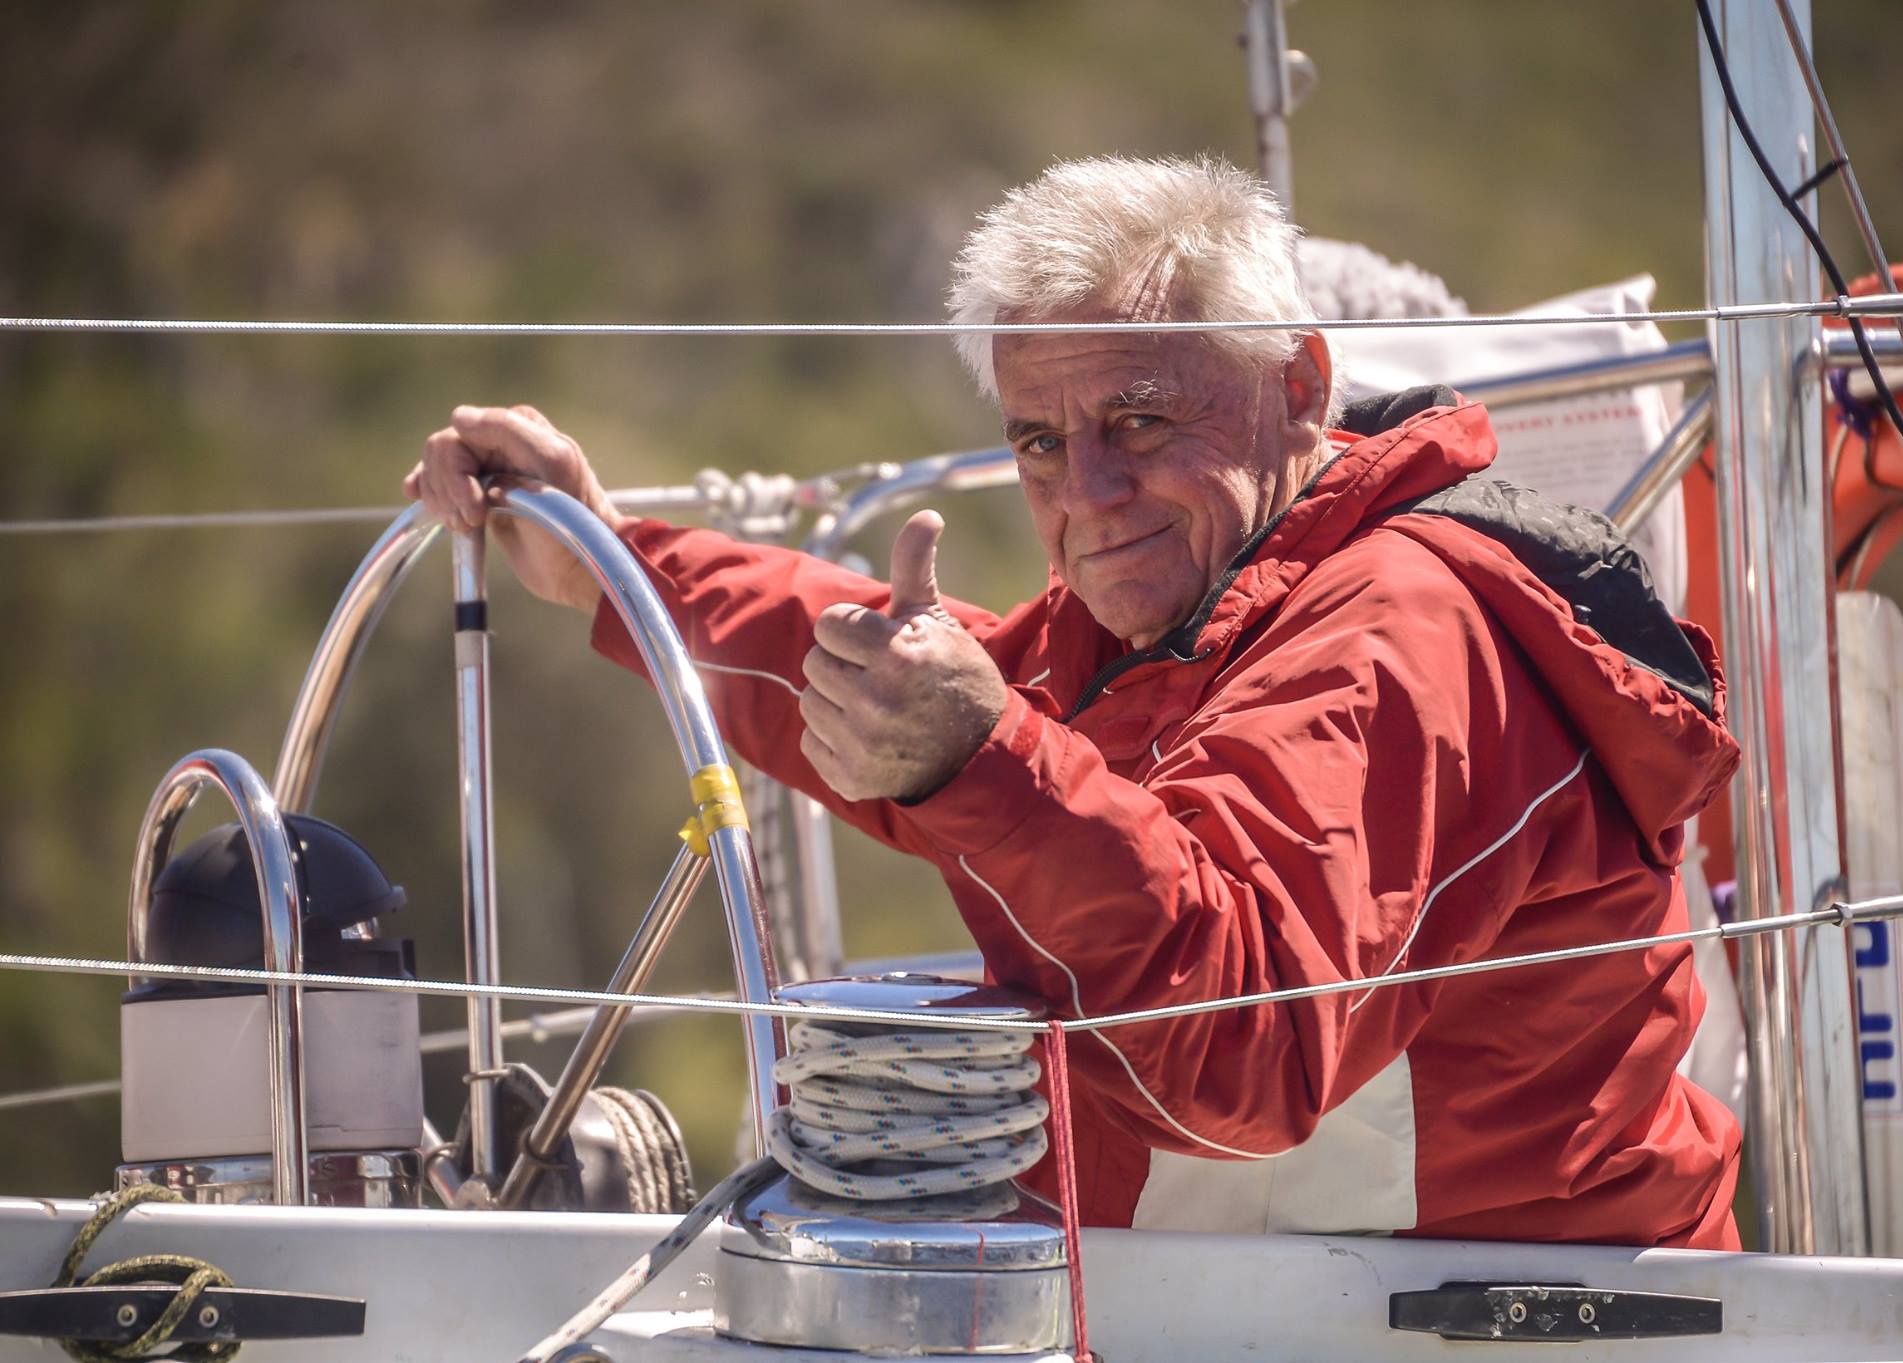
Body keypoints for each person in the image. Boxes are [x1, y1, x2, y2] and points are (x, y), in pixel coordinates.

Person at [406, 155, 1743, 1247]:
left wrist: (976, 764)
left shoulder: (1396, 631)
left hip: (1483, 1329)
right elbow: (931, 684)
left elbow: (1241, 1052)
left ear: (1299, 386)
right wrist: (607, 566)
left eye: (1141, 423)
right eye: (1041, 443)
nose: (1087, 496)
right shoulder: (1191, 609)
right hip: (1271, 1302)